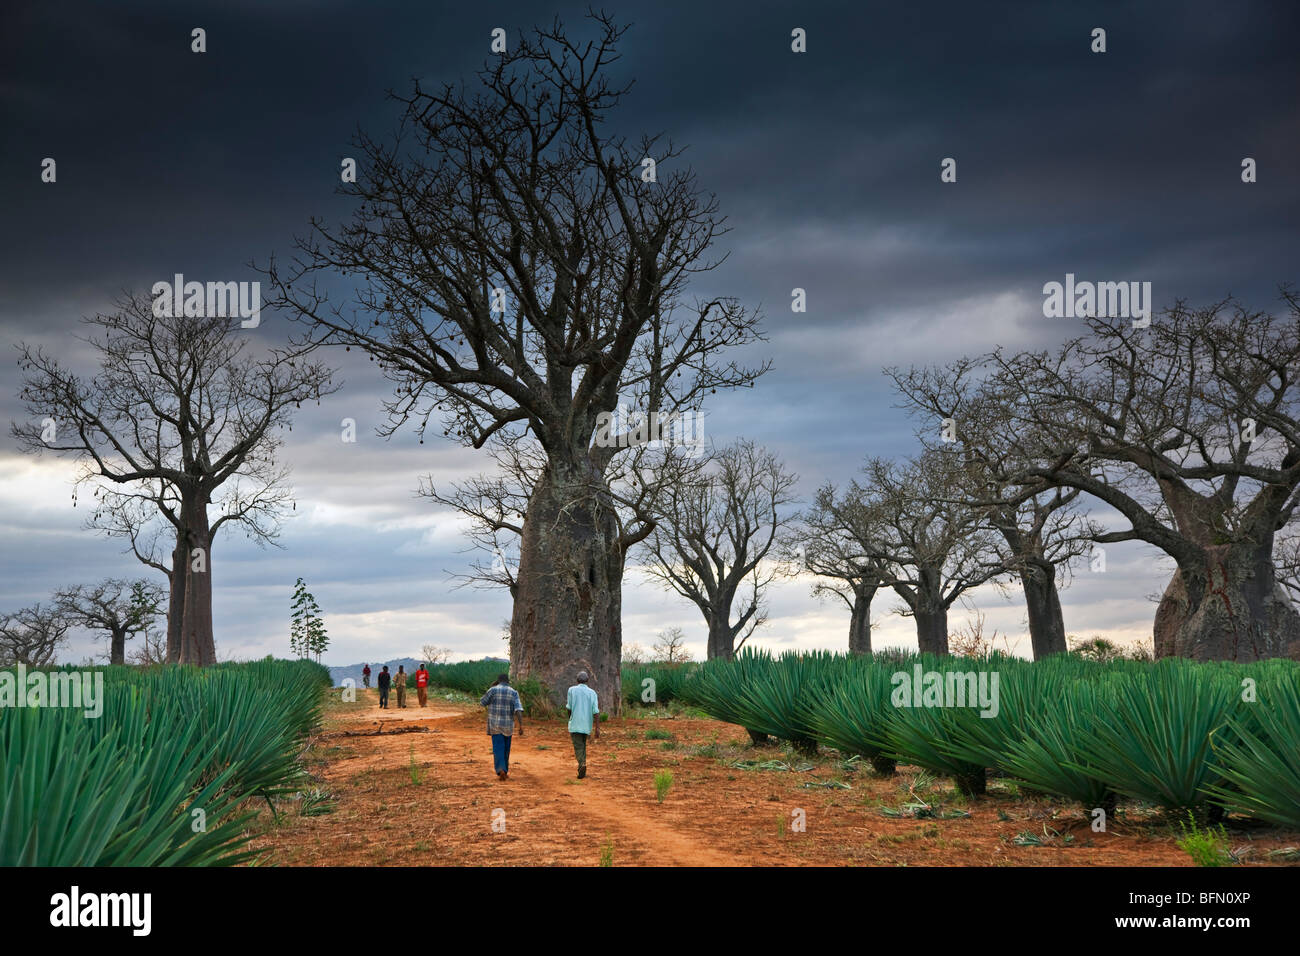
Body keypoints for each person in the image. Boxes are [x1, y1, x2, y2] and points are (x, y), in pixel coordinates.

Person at [479, 674, 524, 780]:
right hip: (508, 726)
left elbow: (482, 702)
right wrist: (521, 725)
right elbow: (518, 710)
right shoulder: (513, 692)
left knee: (498, 747)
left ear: (498, 681)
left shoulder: (493, 690)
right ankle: (505, 770)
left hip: (495, 725)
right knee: (506, 749)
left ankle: (501, 770)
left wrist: (492, 687)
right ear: (508, 681)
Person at [565, 670, 600, 779]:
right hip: (587, 724)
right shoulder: (592, 693)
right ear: (587, 680)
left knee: (578, 746)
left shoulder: (571, 690)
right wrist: (597, 728)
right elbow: (596, 711)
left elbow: (569, 707)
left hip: (575, 723)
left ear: (577, 680)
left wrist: (570, 718)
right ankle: (582, 765)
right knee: (583, 745)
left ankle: (582, 764)